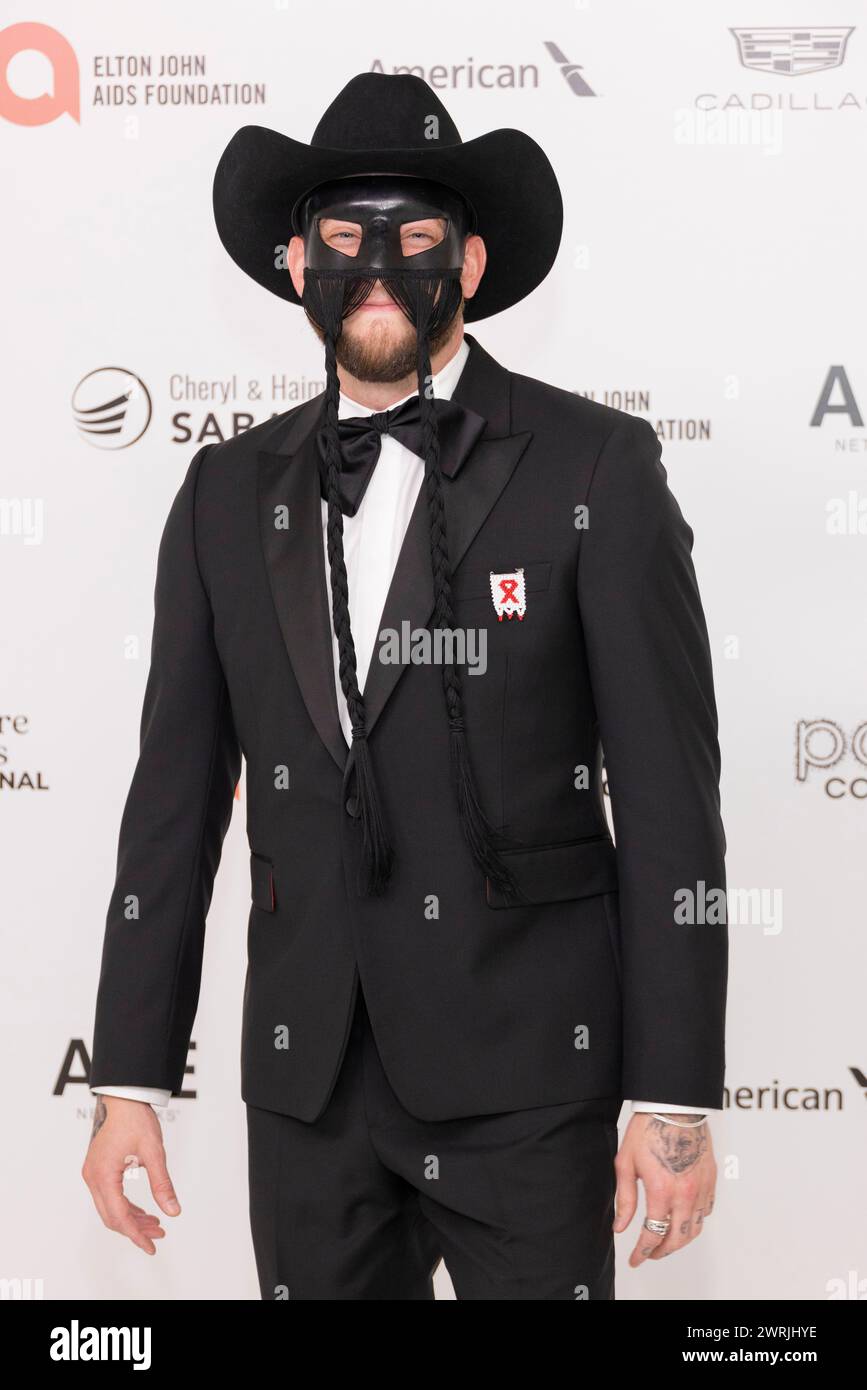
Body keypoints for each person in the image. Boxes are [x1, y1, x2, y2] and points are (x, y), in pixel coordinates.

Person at [83, 72, 728, 1300]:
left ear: (472, 263)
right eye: (342, 237)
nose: (377, 267)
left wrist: (677, 1094)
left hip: (533, 1083)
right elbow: (172, 804)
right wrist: (126, 1082)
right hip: (309, 1089)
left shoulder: (598, 464)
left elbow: (667, 797)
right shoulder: (225, 492)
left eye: (417, 237)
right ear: (292, 263)